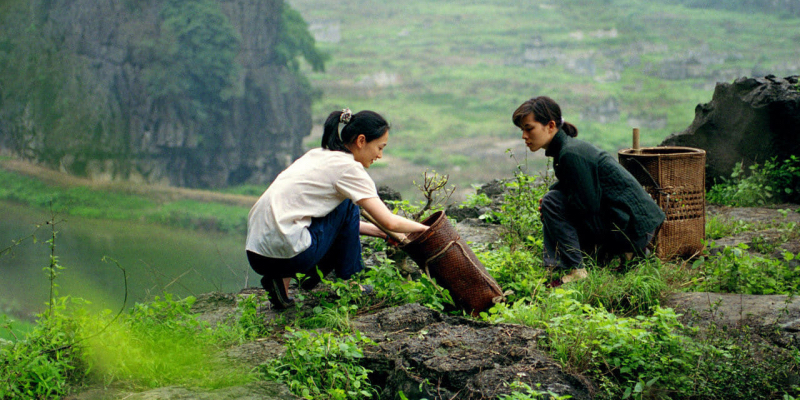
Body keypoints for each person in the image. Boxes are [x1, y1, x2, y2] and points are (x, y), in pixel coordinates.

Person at [246, 108, 429, 308]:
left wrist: (382, 234)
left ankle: (281, 286)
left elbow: (338, 224)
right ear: (361, 141)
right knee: (349, 203)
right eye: (380, 147)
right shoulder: (349, 169)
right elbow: (389, 221)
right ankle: (352, 284)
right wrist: (427, 230)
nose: (380, 155)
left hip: (257, 254)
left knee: (304, 216)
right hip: (290, 256)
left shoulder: (317, 155)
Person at [511, 96, 665, 285]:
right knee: (552, 201)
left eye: (529, 128)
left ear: (550, 126)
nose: (524, 136)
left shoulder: (570, 154)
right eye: (522, 130)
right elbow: (573, 188)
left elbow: (586, 207)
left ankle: (578, 268)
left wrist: (554, 212)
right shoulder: (566, 150)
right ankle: (611, 257)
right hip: (631, 225)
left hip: (633, 229)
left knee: (552, 203)